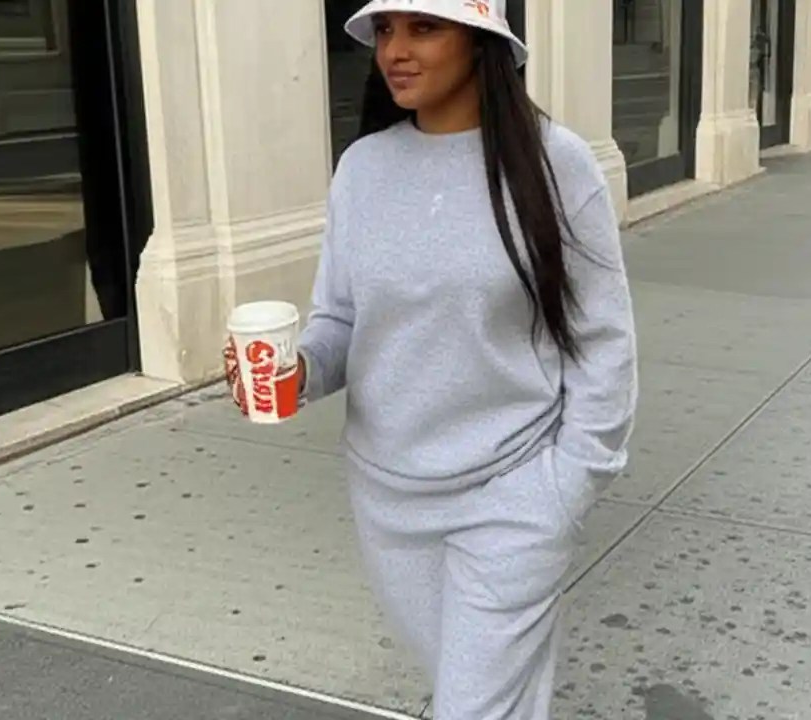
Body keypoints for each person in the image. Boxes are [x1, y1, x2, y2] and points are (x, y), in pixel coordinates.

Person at [234, 0, 637, 717]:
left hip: (514, 493)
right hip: (390, 499)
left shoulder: (558, 165)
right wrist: (296, 376)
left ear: (480, 41)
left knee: (475, 707)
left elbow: (603, 341)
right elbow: (341, 320)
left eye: (424, 27)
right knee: (486, 696)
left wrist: (568, 486)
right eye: (386, 29)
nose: (395, 49)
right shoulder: (363, 168)